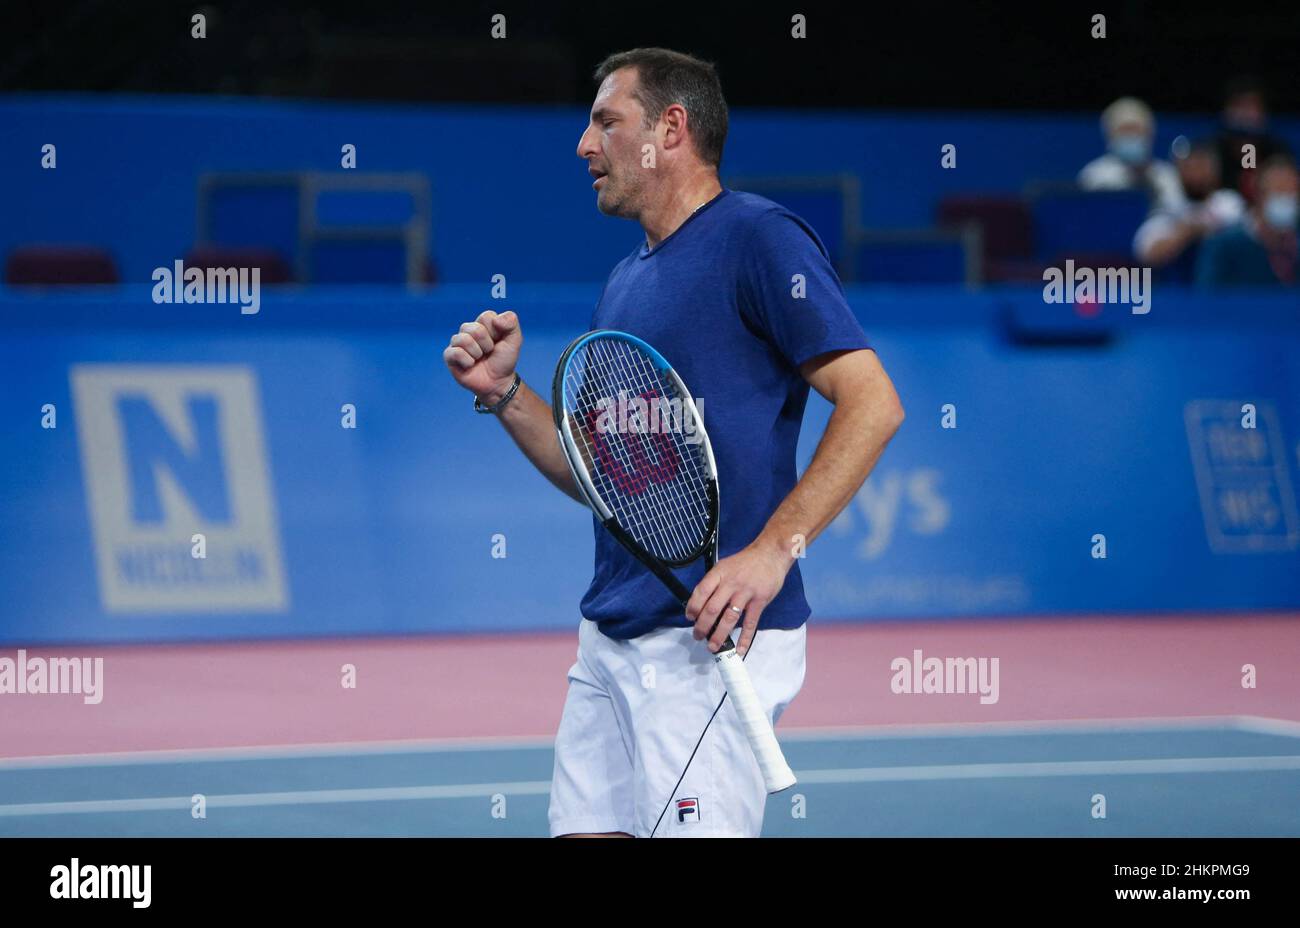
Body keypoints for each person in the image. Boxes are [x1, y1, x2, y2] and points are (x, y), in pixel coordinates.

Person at [442, 47, 904, 837]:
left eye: (605, 122)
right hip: (612, 634)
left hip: (711, 643)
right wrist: (509, 398)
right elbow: (601, 479)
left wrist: (771, 551)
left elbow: (873, 404)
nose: (584, 146)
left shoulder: (760, 240)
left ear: (672, 128)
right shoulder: (625, 280)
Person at [1134, 140, 1244, 272]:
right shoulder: (1169, 208)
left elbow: (1247, 238)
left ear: (1215, 171)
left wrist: (1202, 227)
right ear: (1178, 170)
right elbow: (1146, 254)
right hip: (1178, 288)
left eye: (1201, 166)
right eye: (1189, 167)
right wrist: (1185, 233)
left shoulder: (1230, 202)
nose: (1196, 174)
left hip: (1229, 286)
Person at [1196, 156, 1298, 288]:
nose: (1287, 199)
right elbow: (1206, 301)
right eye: (1280, 191)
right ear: (1259, 196)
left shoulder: (1295, 245)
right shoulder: (1223, 246)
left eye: (1293, 192)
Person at [1078, 97, 1185, 213]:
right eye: (1125, 130)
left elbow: (1178, 214)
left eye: (1136, 129)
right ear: (1110, 135)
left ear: (1149, 134)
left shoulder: (1167, 175)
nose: (1131, 135)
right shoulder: (1094, 176)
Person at [1211, 76, 1293, 203]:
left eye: (1251, 106)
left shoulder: (1278, 151)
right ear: (1226, 111)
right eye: (1239, 106)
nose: (1245, 115)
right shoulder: (1212, 151)